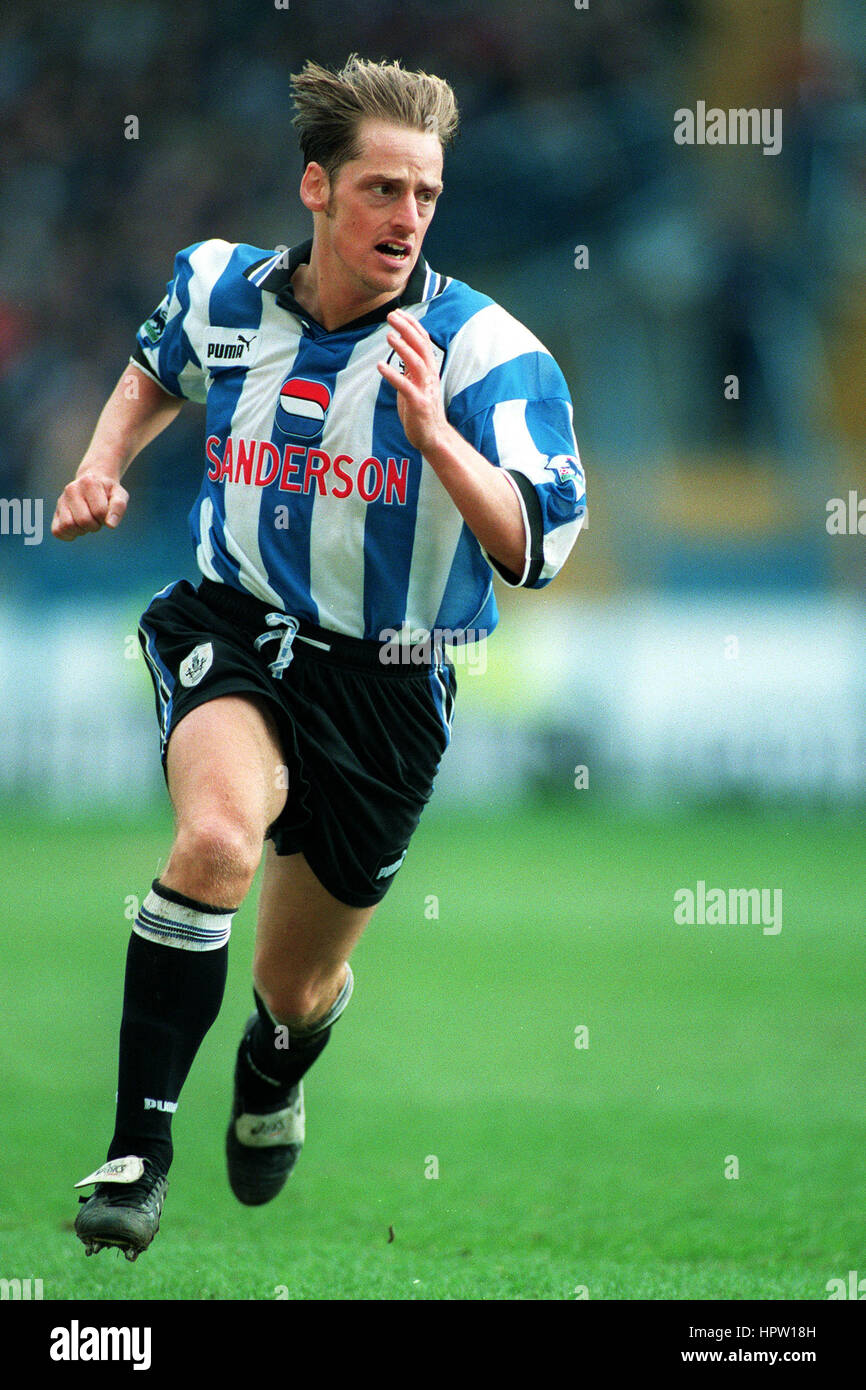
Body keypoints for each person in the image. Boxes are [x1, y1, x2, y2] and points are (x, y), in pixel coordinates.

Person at [53, 55, 587, 1260]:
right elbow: (154, 369)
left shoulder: (488, 354)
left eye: (426, 196)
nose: (406, 218)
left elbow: (533, 547)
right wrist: (103, 462)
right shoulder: (218, 286)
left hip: (388, 687)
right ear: (316, 187)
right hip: (232, 629)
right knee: (213, 843)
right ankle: (137, 1151)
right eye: (382, 190)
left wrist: (436, 441)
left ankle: (276, 1062)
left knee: (293, 989)